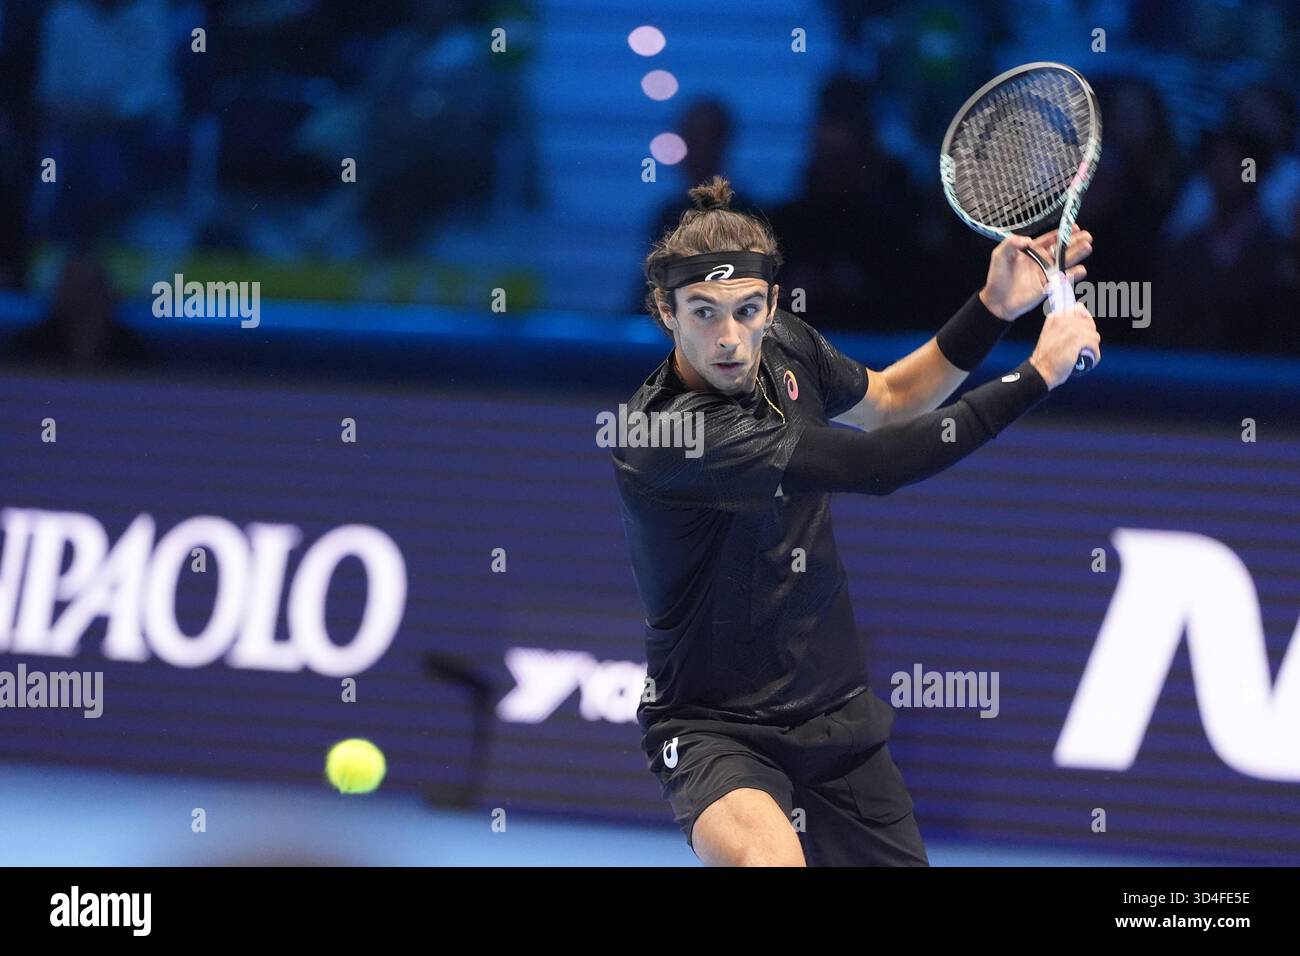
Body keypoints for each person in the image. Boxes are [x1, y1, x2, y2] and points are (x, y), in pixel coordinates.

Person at [610, 175, 1098, 866]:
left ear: (774, 303)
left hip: (835, 719)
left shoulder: (789, 347)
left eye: (747, 310)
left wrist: (992, 308)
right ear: (665, 310)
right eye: (703, 313)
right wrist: (1036, 376)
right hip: (712, 726)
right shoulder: (669, 435)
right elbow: (878, 464)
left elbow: (894, 398)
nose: (729, 337)